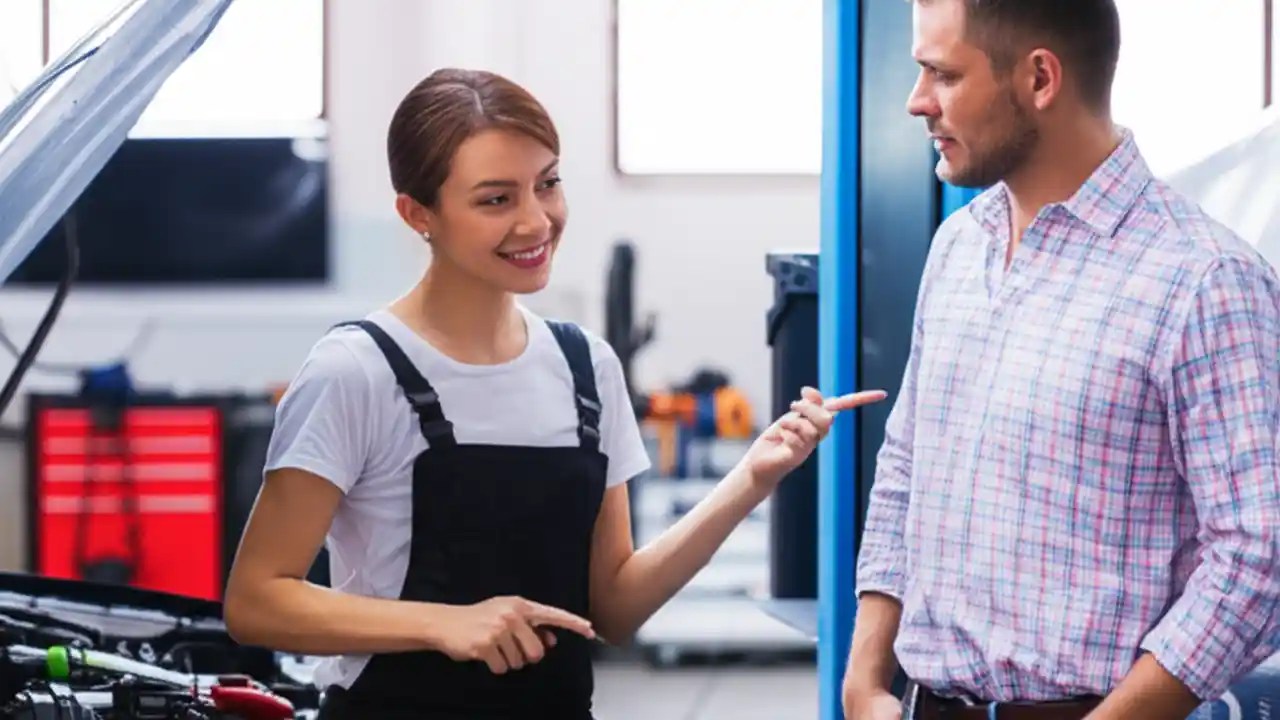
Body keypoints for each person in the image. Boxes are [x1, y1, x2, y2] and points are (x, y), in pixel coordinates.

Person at [222, 67, 886, 719]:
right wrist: (442, 623)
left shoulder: (585, 367)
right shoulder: (355, 371)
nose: (537, 221)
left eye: (548, 184)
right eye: (496, 200)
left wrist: (753, 476)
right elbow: (256, 601)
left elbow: (614, 609)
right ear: (417, 213)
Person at [842, 1, 1280, 719]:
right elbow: (905, 471)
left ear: (1040, 78)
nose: (917, 101)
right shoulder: (959, 248)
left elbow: (1258, 555)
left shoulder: (1204, 279)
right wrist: (864, 681)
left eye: (943, 74)